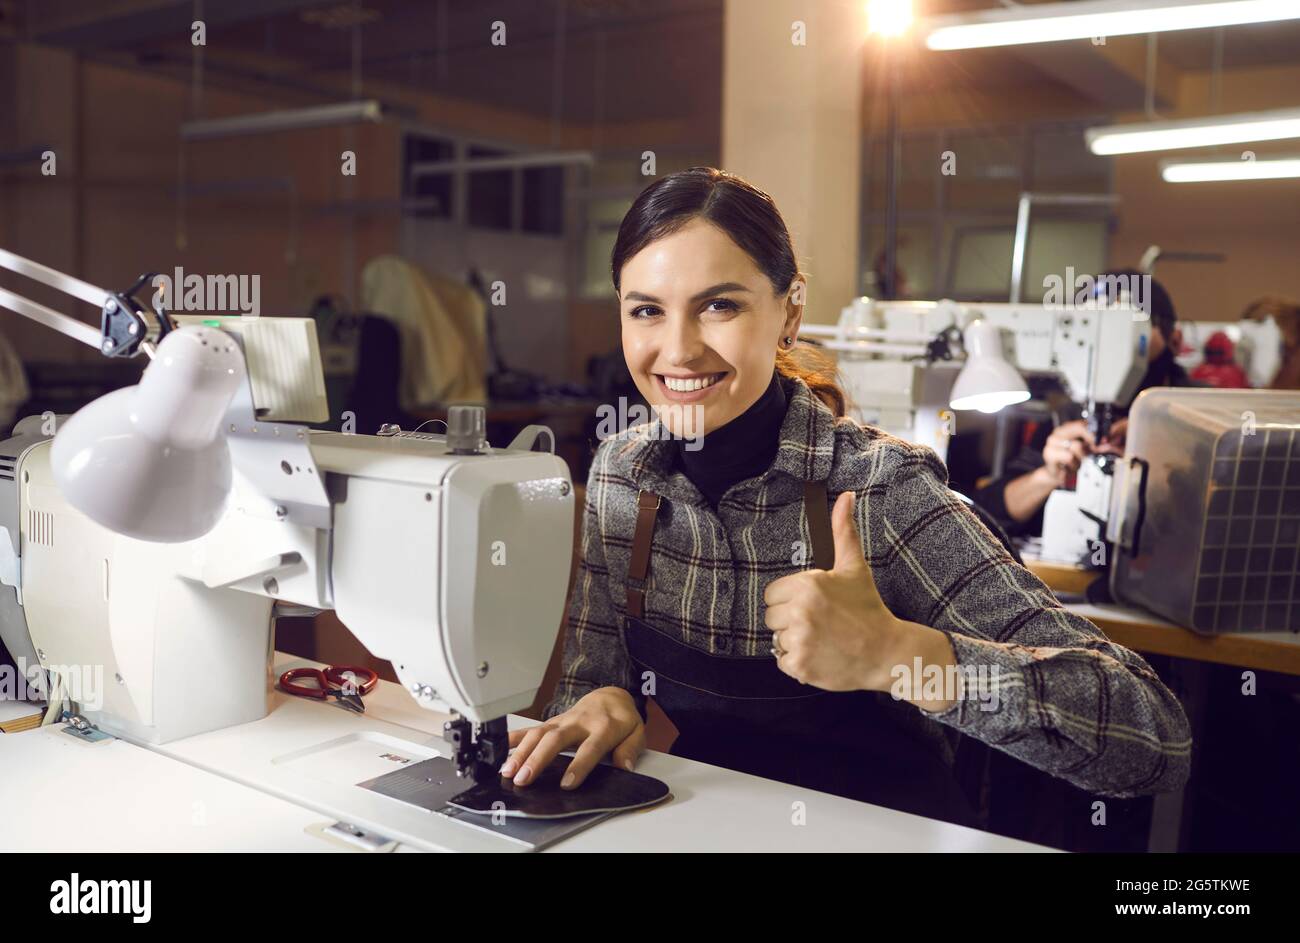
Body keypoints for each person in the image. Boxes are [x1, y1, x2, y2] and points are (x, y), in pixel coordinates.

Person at [506, 168, 1190, 831]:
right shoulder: (621, 477)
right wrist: (601, 701)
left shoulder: (880, 489)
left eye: (720, 305)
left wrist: (900, 655)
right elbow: (591, 679)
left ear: (789, 313)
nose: (678, 350)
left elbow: (1152, 738)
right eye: (647, 310)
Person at [974, 270, 1201, 538]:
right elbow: (989, 514)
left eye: (1126, 329)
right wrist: (1048, 475)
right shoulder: (1070, 416)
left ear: (1175, 341)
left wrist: (1163, 457)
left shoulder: (1205, 415)